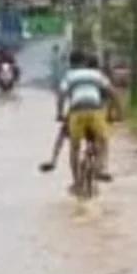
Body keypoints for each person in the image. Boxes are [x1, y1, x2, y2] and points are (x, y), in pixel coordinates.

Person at [43, 50, 117, 192]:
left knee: (70, 142)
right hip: (97, 113)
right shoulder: (99, 77)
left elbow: (62, 94)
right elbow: (111, 96)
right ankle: (102, 167)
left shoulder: (71, 76)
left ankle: (63, 169)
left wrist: (59, 113)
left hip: (77, 112)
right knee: (104, 139)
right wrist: (116, 114)